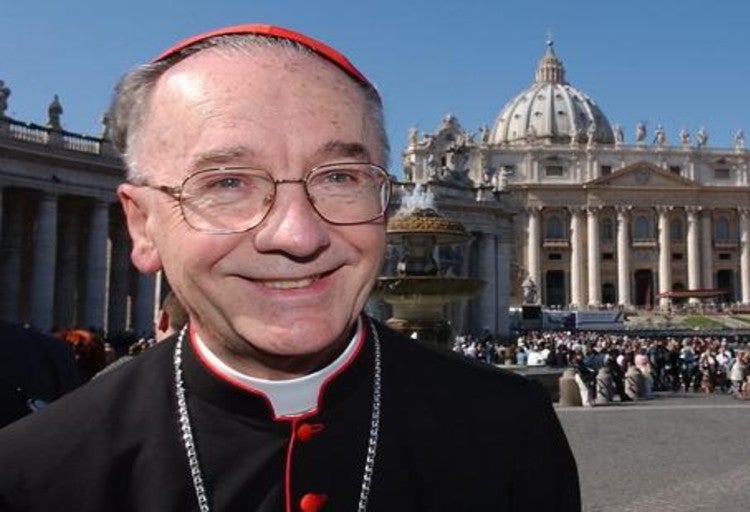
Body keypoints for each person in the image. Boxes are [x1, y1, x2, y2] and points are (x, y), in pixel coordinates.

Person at [0, 24, 580, 511]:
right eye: (226, 182)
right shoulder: (32, 473)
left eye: (340, 178)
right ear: (143, 224)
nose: (297, 234)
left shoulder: (510, 429)